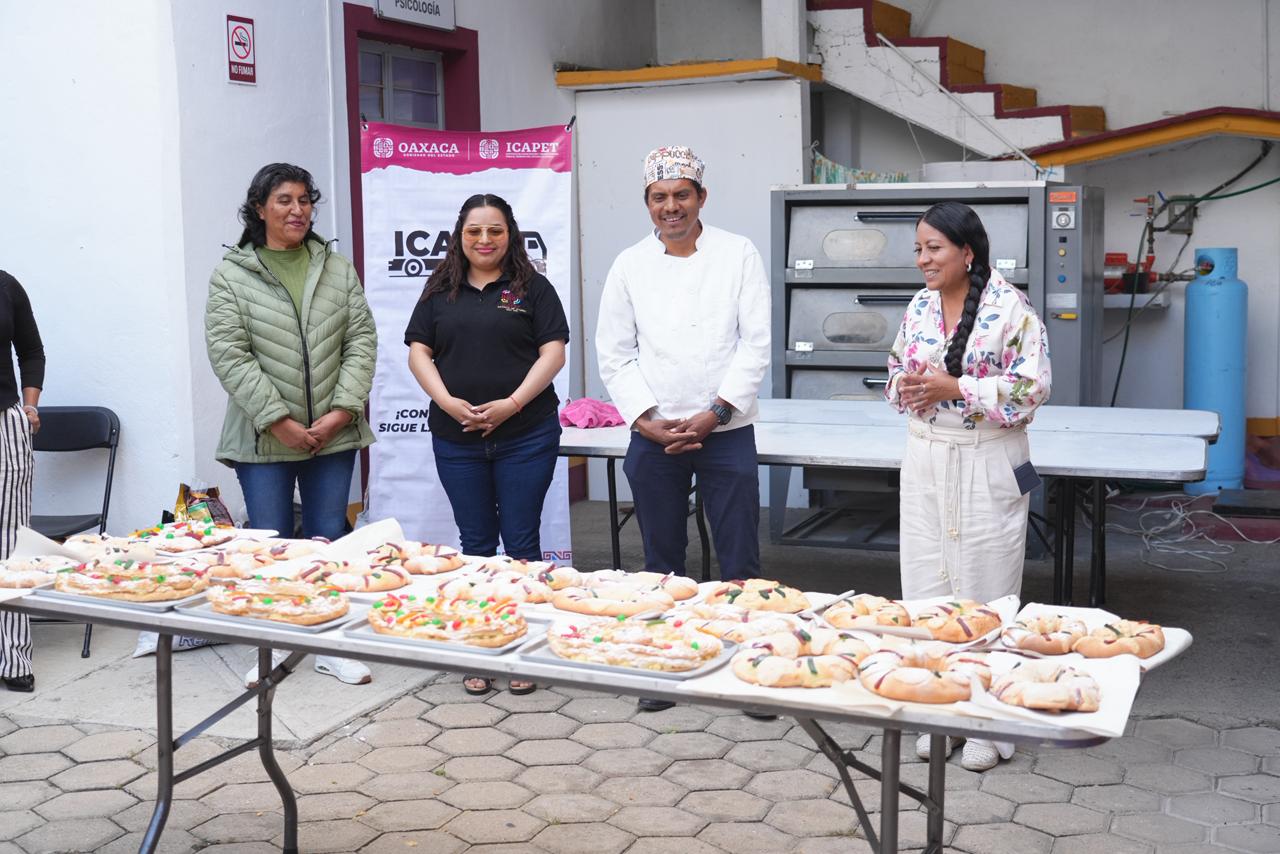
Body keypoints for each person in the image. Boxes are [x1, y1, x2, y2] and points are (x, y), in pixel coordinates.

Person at [596, 146, 770, 712]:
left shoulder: (738, 253)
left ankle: (750, 667)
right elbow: (615, 354)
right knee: (660, 556)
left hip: (726, 427)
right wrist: (646, 420)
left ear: (701, 197)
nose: (671, 207)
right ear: (647, 204)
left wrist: (715, 412)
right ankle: (665, 665)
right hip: (654, 431)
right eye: (659, 197)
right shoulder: (629, 265)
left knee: (740, 555)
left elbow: (755, 342)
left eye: (681, 195)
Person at [886, 201, 1051, 770]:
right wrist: (907, 387)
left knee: (985, 587)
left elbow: (1033, 388)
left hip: (987, 460)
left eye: (934, 248)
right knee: (928, 586)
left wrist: (955, 388)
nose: (923, 259)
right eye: (918, 249)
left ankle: (987, 721)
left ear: (967, 252)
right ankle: (941, 711)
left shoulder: (1012, 309)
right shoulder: (920, 305)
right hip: (925, 455)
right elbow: (893, 367)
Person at [206, 163, 378, 687]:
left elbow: (362, 340)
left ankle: (330, 644)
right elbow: (228, 353)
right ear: (259, 209)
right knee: (271, 545)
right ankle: (272, 648)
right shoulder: (232, 273)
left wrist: (341, 412)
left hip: (334, 433)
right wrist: (278, 421)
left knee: (329, 538)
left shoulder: (335, 266)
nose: (298, 210)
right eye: (284, 200)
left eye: (305, 200)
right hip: (263, 437)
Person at [405, 193, 568, 697]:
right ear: (460, 236)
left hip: (526, 434)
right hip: (458, 438)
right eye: (475, 231)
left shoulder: (533, 289)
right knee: (475, 545)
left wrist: (512, 404)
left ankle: (522, 648)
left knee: (521, 544)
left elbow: (554, 353)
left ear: (510, 235)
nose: (484, 240)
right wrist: (449, 402)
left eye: (495, 230)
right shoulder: (439, 291)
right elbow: (418, 353)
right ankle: (480, 645)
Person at [0, 270, 43, 692]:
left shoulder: (6, 285)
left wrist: (29, 407)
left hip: (5, 426)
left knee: (11, 542)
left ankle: (14, 658)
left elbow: (31, 351)